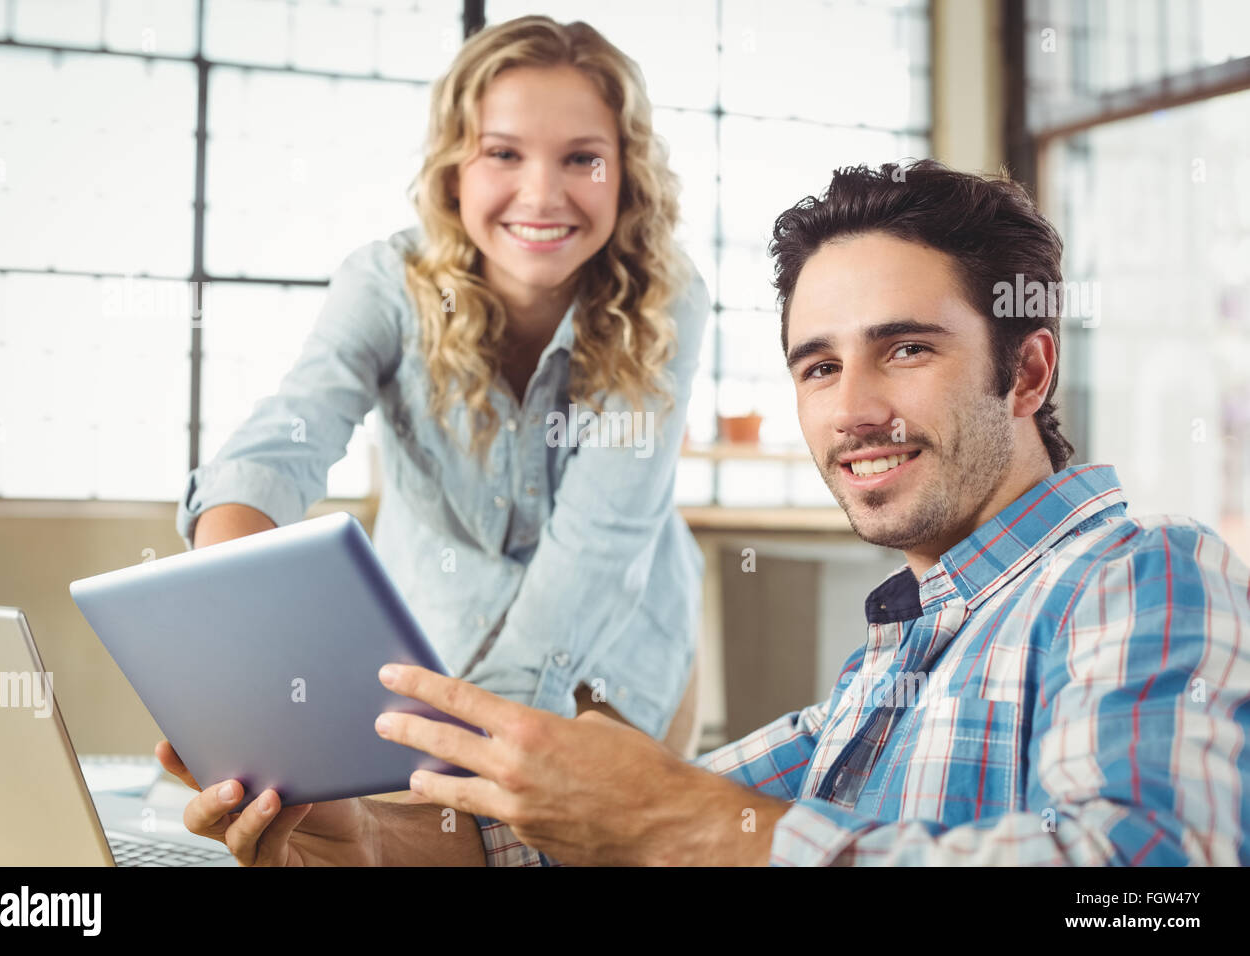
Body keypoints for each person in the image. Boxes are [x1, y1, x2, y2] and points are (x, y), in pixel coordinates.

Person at [158, 159, 1250, 866]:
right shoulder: (894, 663)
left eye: (905, 348)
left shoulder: (1136, 576)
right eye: (817, 367)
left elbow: (1158, 875)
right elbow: (545, 832)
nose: (853, 409)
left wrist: (682, 823)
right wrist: (345, 834)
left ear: (1027, 371)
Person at [175, 16, 710, 754]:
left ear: (626, 173)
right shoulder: (386, 286)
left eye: (582, 158)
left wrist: (475, 741)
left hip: (618, 647)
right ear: (456, 169)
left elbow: (600, 542)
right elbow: (289, 434)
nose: (542, 193)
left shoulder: (663, 301)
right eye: (503, 153)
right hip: (431, 639)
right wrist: (225, 605)